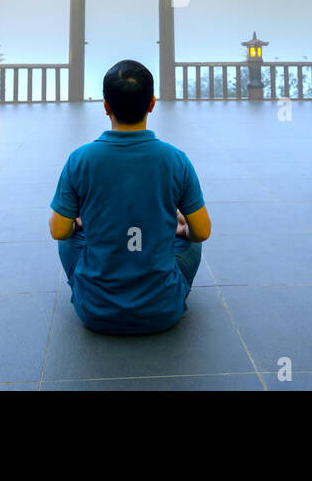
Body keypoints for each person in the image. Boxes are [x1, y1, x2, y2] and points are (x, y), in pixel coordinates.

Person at [48, 59, 212, 334]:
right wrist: (180, 230)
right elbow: (203, 231)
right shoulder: (176, 160)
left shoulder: (80, 159)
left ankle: (92, 284)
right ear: (152, 104)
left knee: (68, 238)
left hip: (95, 312)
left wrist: (81, 223)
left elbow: (58, 230)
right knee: (193, 242)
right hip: (163, 310)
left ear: (105, 106)